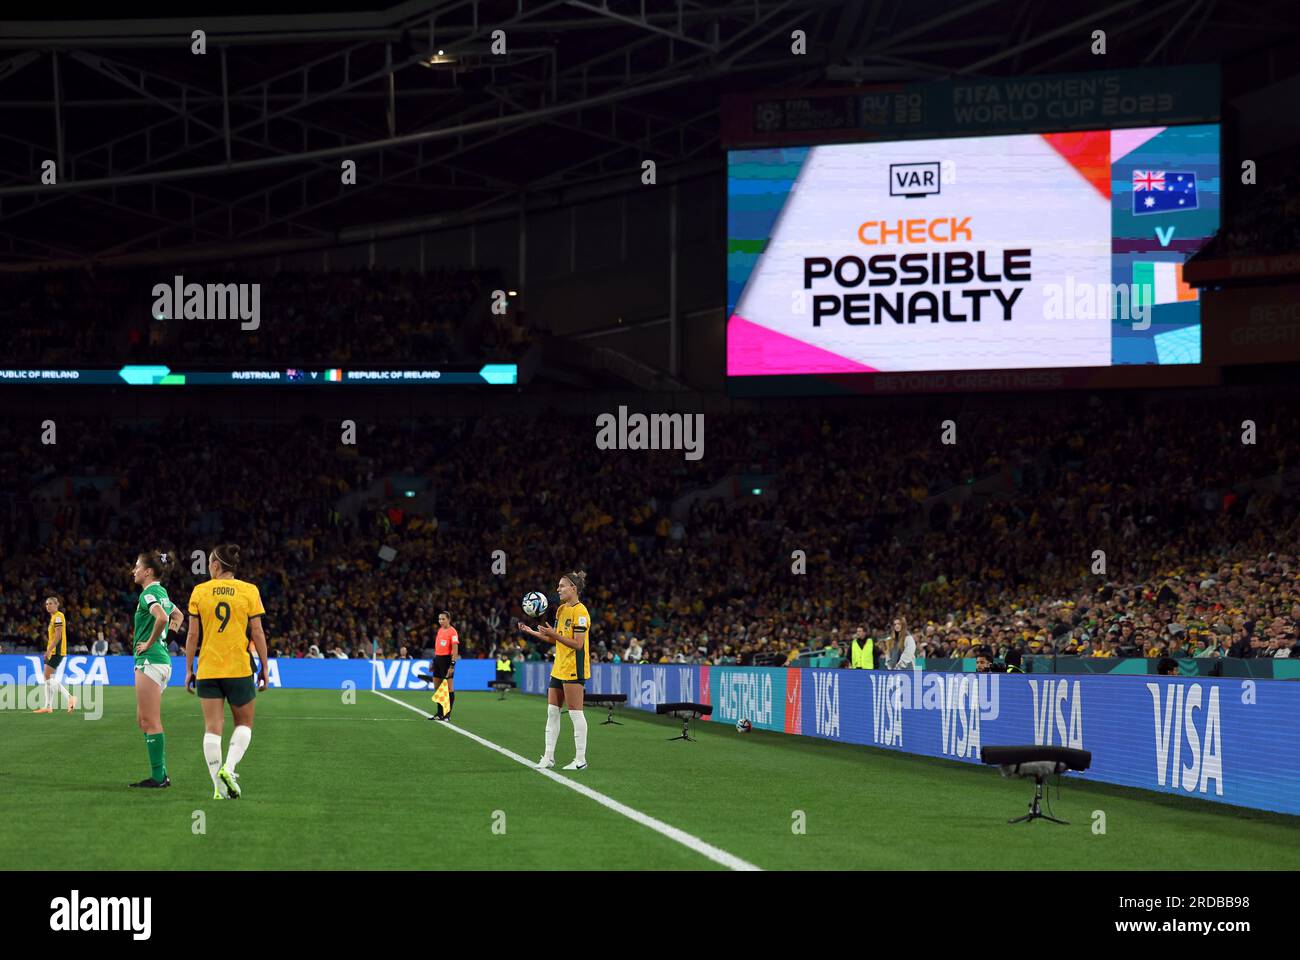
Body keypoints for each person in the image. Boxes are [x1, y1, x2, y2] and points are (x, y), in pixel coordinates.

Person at [185, 544, 268, 800]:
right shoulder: (249, 591)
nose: (209, 567)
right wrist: (265, 667)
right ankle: (229, 769)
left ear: (216, 566)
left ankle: (217, 789)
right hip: (238, 668)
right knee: (244, 723)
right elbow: (257, 633)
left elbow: (192, 635)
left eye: (210, 563)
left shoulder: (200, 591)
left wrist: (189, 669)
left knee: (212, 728)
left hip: (208, 668)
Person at [519, 570, 591, 771]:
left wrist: (554, 634)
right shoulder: (561, 610)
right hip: (559, 667)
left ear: (573, 588)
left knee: (576, 713)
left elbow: (577, 644)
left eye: (562, 586)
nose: (558, 589)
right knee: (552, 712)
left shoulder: (581, 612)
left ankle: (581, 759)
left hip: (574, 668)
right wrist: (533, 632)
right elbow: (555, 638)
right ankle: (549, 757)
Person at [129, 549, 184, 789]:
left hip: (150, 660)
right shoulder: (161, 592)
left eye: (137, 567)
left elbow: (162, 618)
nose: (134, 570)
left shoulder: (149, 594)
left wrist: (150, 643)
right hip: (158, 660)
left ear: (148, 571)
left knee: (150, 720)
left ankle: (159, 778)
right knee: (143, 720)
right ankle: (160, 774)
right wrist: (166, 641)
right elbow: (178, 616)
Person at [34, 596, 76, 714]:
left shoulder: (58, 616)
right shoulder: (54, 617)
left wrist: (48, 650)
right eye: (47, 604)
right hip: (53, 651)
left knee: (47, 676)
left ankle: (70, 698)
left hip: (56, 652)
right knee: (48, 678)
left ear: (57, 605)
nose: (48, 606)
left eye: (51, 603)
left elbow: (58, 636)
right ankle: (48, 706)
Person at [429, 611, 459, 720]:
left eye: (443, 619)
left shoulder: (453, 632)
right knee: (437, 687)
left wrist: (452, 665)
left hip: (447, 661)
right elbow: (438, 648)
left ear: (448, 619)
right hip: (438, 660)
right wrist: (434, 661)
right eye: (439, 619)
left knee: (449, 688)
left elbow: (455, 650)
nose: (440, 621)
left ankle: (448, 714)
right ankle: (440, 713)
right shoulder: (440, 630)